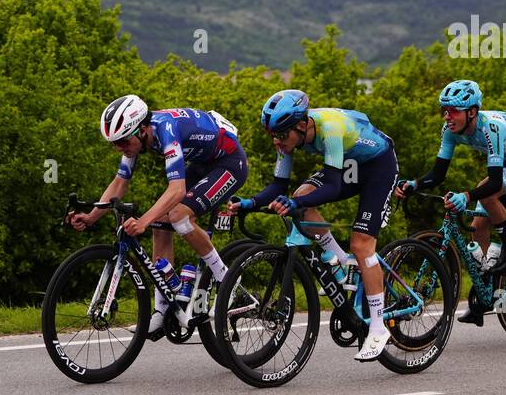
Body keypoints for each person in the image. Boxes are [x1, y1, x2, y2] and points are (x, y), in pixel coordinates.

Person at [231, 89, 400, 361]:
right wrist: (250, 202)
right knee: (300, 196)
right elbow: (279, 186)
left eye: (282, 135)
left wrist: (296, 205)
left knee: (362, 244)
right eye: (273, 135)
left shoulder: (329, 128)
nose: (277, 142)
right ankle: (339, 259)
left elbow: (332, 186)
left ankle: (379, 329)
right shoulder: (289, 137)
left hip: (379, 166)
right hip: (350, 164)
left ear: (301, 125)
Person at [69, 96, 245, 336]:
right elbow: (120, 182)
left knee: (179, 216)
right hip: (203, 164)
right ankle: (162, 312)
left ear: (142, 130)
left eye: (122, 142)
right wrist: (91, 217)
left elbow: (177, 190)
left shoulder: (166, 131)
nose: (120, 148)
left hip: (229, 162)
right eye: (114, 144)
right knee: (160, 224)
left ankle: (227, 280)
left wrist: (142, 221)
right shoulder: (136, 136)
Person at [395, 80, 506, 325]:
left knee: (485, 193)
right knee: (478, 226)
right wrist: (415, 184)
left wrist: (465, 196)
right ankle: (488, 295)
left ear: (472, 112)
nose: (447, 116)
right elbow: (438, 174)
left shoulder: (491, 128)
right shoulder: (450, 132)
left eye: (453, 111)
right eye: (444, 110)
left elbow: (495, 181)